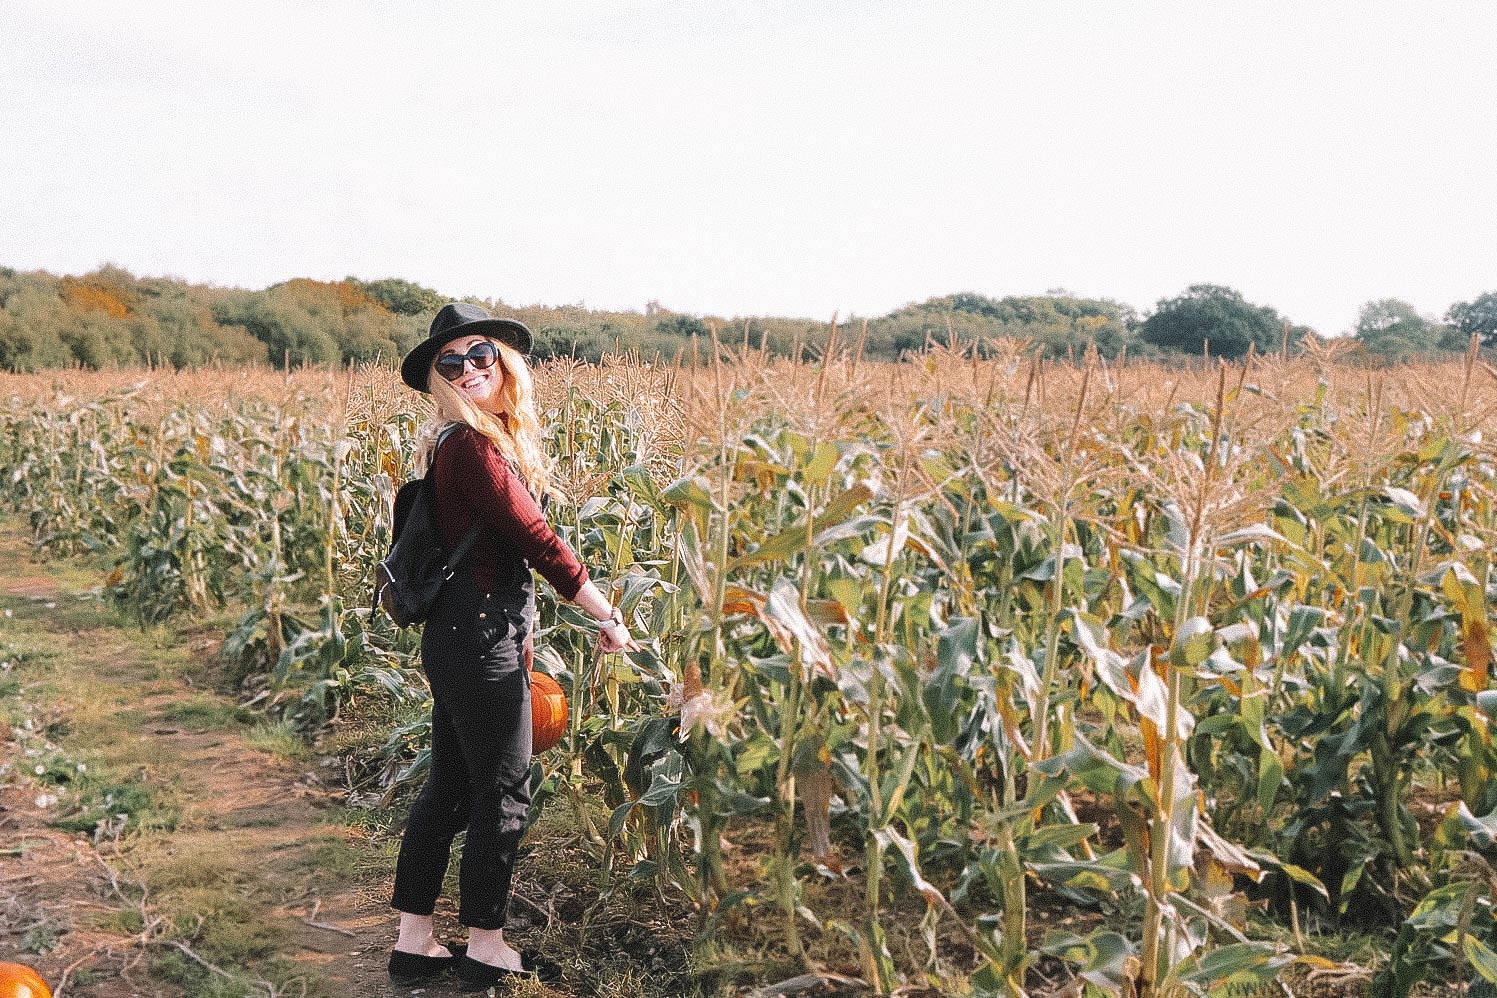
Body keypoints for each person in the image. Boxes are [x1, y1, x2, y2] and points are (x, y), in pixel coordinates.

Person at [386, 302, 639, 990]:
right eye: (451, 362)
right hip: (479, 637)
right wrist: (604, 611)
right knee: (503, 793)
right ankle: (487, 946)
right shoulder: (468, 446)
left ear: (504, 364)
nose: (467, 370)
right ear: (437, 376)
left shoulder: (456, 443)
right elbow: (538, 540)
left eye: (479, 356)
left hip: (462, 636)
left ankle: (414, 945)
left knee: (450, 789)